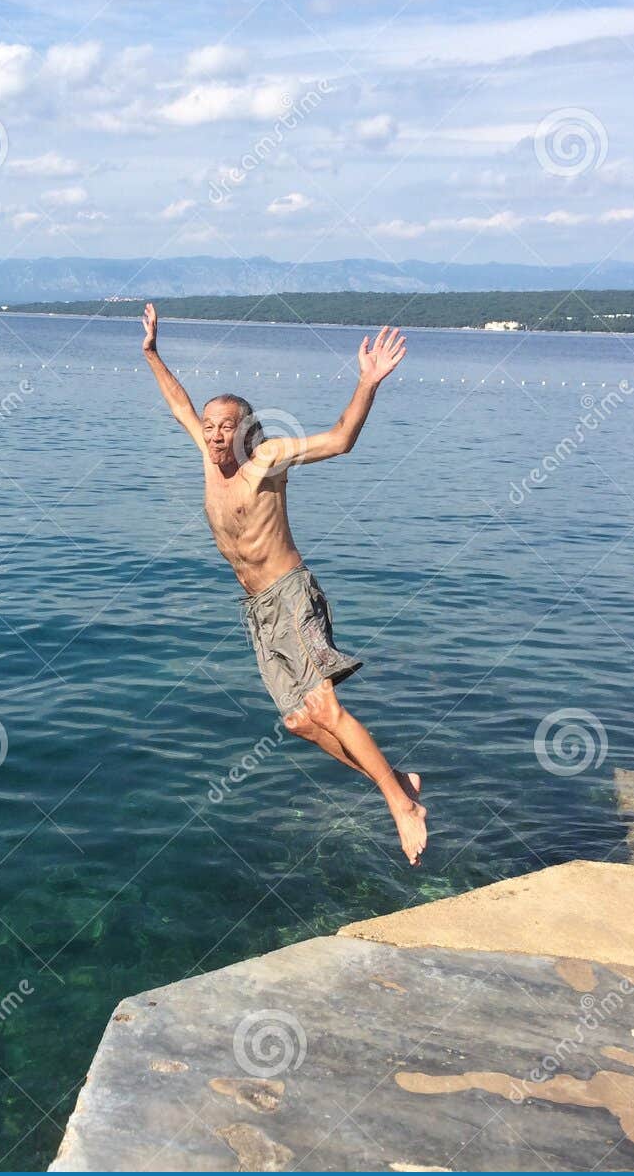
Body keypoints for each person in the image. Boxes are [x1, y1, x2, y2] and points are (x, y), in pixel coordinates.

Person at [140, 303, 428, 865]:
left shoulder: (267, 458)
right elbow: (177, 403)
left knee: (325, 708)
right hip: (257, 610)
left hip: (291, 595)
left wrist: (367, 382)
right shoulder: (206, 454)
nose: (216, 433)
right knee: (298, 721)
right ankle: (398, 781)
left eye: (227, 425)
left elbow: (342, 439)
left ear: (246, 430)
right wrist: (152, 352)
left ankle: (401, 804)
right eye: (210, 424)